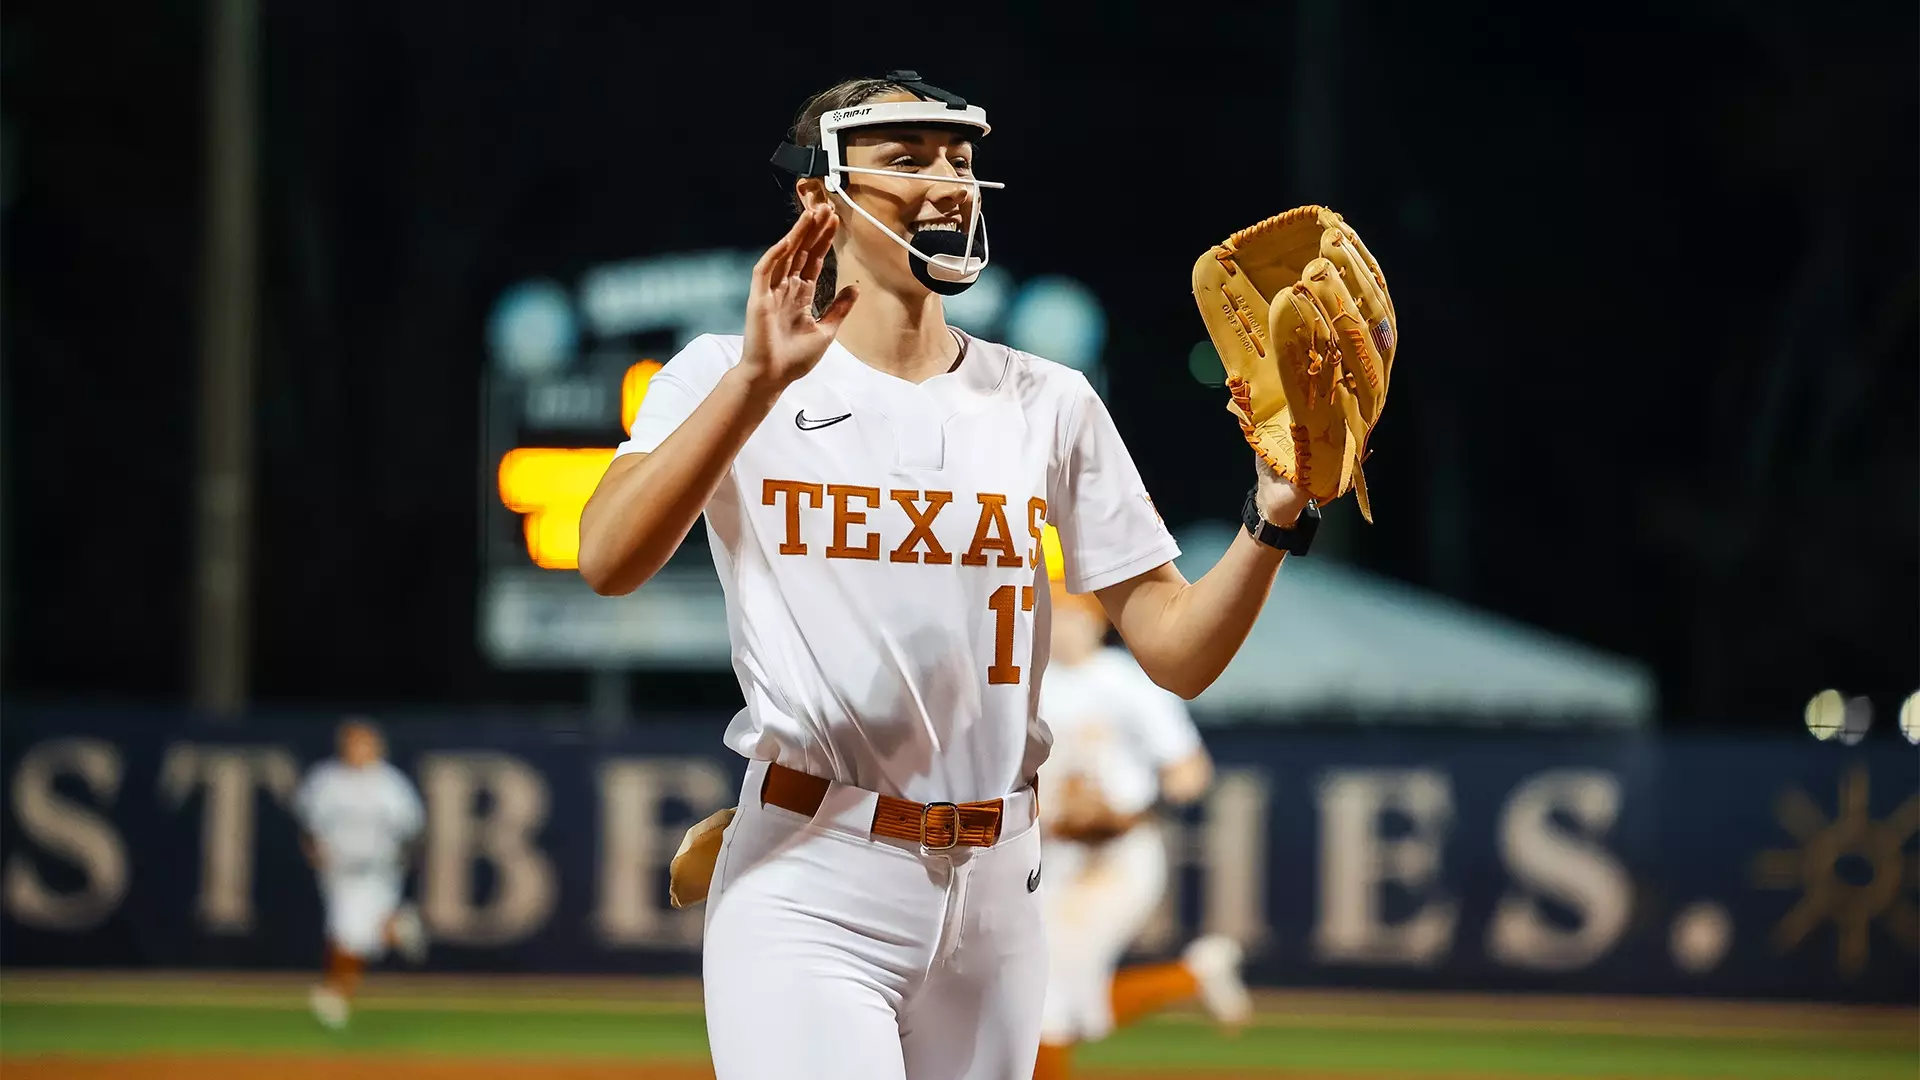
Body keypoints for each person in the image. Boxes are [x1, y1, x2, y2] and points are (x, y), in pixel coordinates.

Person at [579, 69, 1315, 1080]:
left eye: (961, 161)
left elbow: (1178, 653)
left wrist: (1273, 518)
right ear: (819, 193)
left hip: (1004, 887)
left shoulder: (1046, 401)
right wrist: (756, 381)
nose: (950, 183)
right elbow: (607, 560)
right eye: (909, 159)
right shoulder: (722, 370)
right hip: (812, 870)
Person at [1031, 537, 1252, 1080]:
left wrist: (1126, 809)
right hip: (1050, 856)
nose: (1059, 618)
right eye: (1050, 605)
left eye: (1069, 607)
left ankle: (1191, 977)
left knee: (1047, 1001)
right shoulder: (1027, 682)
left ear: (1096, 616)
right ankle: (1191, 977)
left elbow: (1190, 773)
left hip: (1115, 858)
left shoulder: (1125, 681)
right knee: (1054, 998)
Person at [292, 717, 428, 1030]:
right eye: (353, 742)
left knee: (349, 936)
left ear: (377, 747)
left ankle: (336, 994)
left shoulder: (390, 784)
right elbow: (308, 825)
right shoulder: (325, 780)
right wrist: (313, 852)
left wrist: (404, 862)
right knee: (354, 936)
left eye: (364, 743)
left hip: (379, 869)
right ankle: (397, 926)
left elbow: (413, 830)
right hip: (340, 871)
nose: (358, 749)